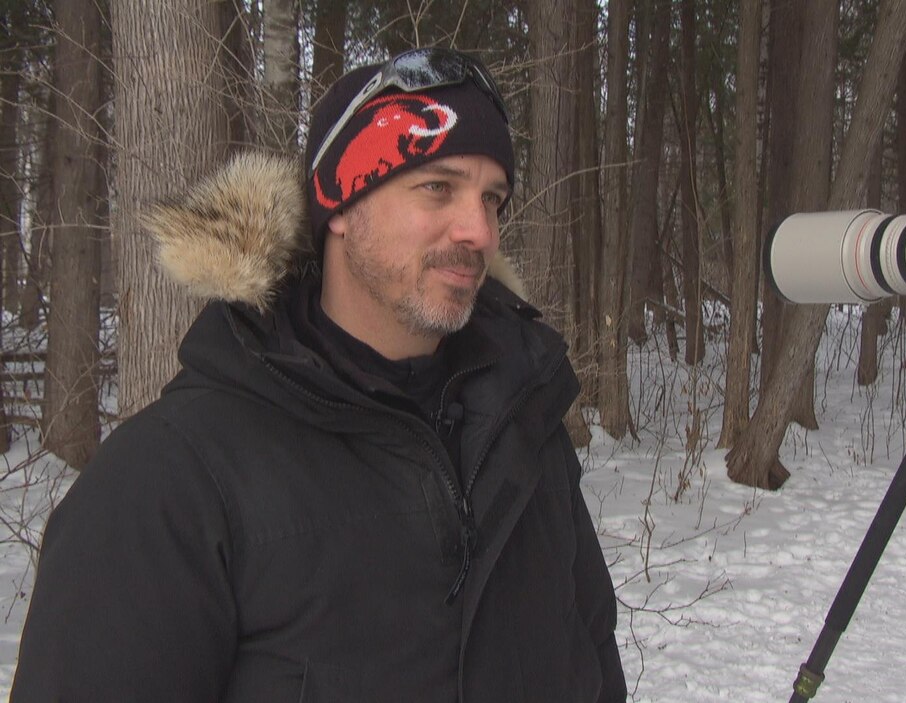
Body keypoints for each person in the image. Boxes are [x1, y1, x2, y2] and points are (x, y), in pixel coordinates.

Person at [12, 47, 627, 702]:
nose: (479, 229)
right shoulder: (169, 480)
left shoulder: (524, 432)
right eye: (437, 187)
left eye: (492, 198)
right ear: (339, 198)